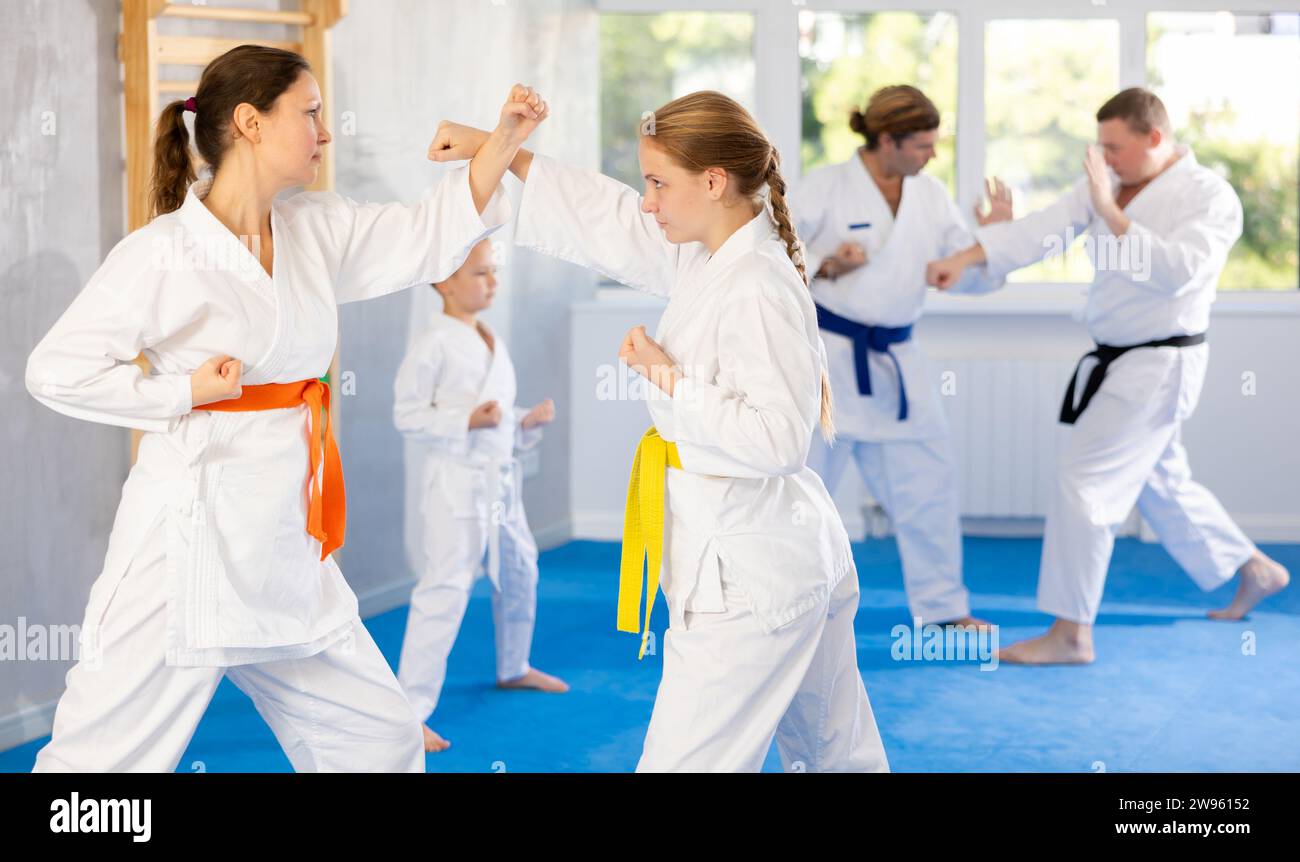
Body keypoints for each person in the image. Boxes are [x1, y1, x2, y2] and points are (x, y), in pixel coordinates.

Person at [23, 43, 545, 770]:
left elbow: (427, 237)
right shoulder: (162, 251)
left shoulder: (315, 229)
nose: (326, 133)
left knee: (379, 740)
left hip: (286, 545)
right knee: (99, 763)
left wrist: (506, 140)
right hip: (184, 549)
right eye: (311, 114)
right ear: (249, 123)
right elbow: (54, 370)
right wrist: (180, 391)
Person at [431, 90, 890, 772]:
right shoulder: (713, 251)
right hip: (785, 554)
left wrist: (669, 377)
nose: (647, 200)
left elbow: (779, 440)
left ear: (712, 182)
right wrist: (501, 150)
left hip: (752, 575)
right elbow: (610, 221)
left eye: (658, 184)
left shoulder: (755, 283)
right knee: (834, 755)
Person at [926, 87, 1290, 664]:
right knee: (1162, 483)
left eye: (1115, 147)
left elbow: (1176, 272)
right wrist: (966, 258)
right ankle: (1255, 568)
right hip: (1119, 358)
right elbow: (1042, 230)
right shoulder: (1108, 184)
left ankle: (1071, 634)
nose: (1105, 157)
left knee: (1085, 484)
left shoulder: (1210, 198)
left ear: (1155, 138)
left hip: (1160, 361)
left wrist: (1111, 210)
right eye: (1100, 146)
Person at [794, 85, 1009, 629]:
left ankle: (943, 611)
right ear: (886, 140)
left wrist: (993, 241)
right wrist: (825, 264)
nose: (932, 155)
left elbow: (965, 276)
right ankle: (784, 613)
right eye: (922, 145)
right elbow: (774, 252)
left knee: (929, 489)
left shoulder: (931, 197)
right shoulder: (825, 187)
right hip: (826, 362)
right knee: (798, 494)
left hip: (896, 361)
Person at [393, 238, 567, 754]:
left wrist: (521, 422)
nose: (493, 282)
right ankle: (409, 714)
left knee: (520, 569)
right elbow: (408, 414)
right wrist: (464, 420)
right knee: (444, 589)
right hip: (455, 484)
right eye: (481, 274)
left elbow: (494, 417)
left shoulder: (489, 336)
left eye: (494, 272)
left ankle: (514, 666)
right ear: (444, 283)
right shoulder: (433, 343)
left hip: (499, 480)